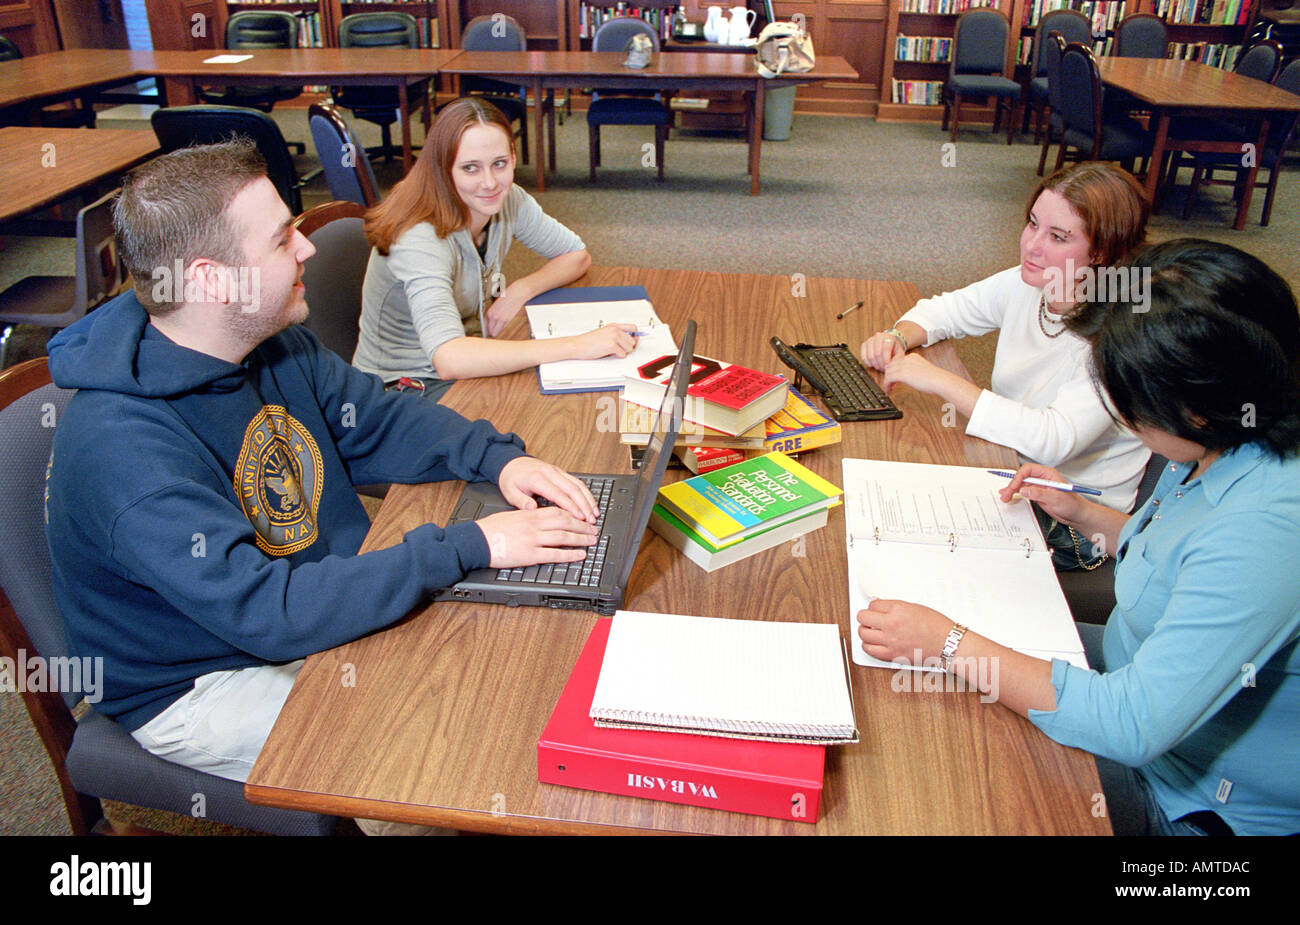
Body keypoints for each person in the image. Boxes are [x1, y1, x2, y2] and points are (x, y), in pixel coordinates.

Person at [44, 140, 603, 834]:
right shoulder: (123, 448)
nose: (305, 249)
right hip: (202, 673)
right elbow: (269, 613)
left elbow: (375, 420)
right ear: (213, 279)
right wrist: (467, 545)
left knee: (501, 659)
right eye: (282, 239)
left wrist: (494, 459)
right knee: (425, 749)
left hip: (298, 592)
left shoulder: (267, 337)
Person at [856, 239, 1300, 836]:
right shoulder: (1221, 439)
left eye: (1132, 405)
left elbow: (1132, 725)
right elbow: (1173, 558)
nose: (1123, 418)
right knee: (906, 690)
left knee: (941, 776)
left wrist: (951, 642)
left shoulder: (1267, 528)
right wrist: (1084, 513)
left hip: (1190, 804)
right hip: (1126, 672)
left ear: (1196, 410)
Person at [859, 163, 1153, 569]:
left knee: (899, 538)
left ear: (1102, 252)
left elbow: (1051, 440)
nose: (1031, 245)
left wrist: (940, 381)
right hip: (1008, 468)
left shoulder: (1122, 336)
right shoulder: (1031, 281)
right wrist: (897, 336)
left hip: (1072, 522)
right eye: (1032, 224)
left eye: (1058, 237)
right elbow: (946, 310)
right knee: (879, 491)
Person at [352, 97, 634, 401]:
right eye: (470, 168)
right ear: (443, 169)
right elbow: (449, 358)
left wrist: (520, 290)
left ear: (513, 157)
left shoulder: (508, 199)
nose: (489, 183)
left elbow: (576, 256)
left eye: (499, 163)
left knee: (569, 399)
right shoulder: (419, 236)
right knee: (543, 415)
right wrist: (576, 345)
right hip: (403, 387)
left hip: (465, 352)